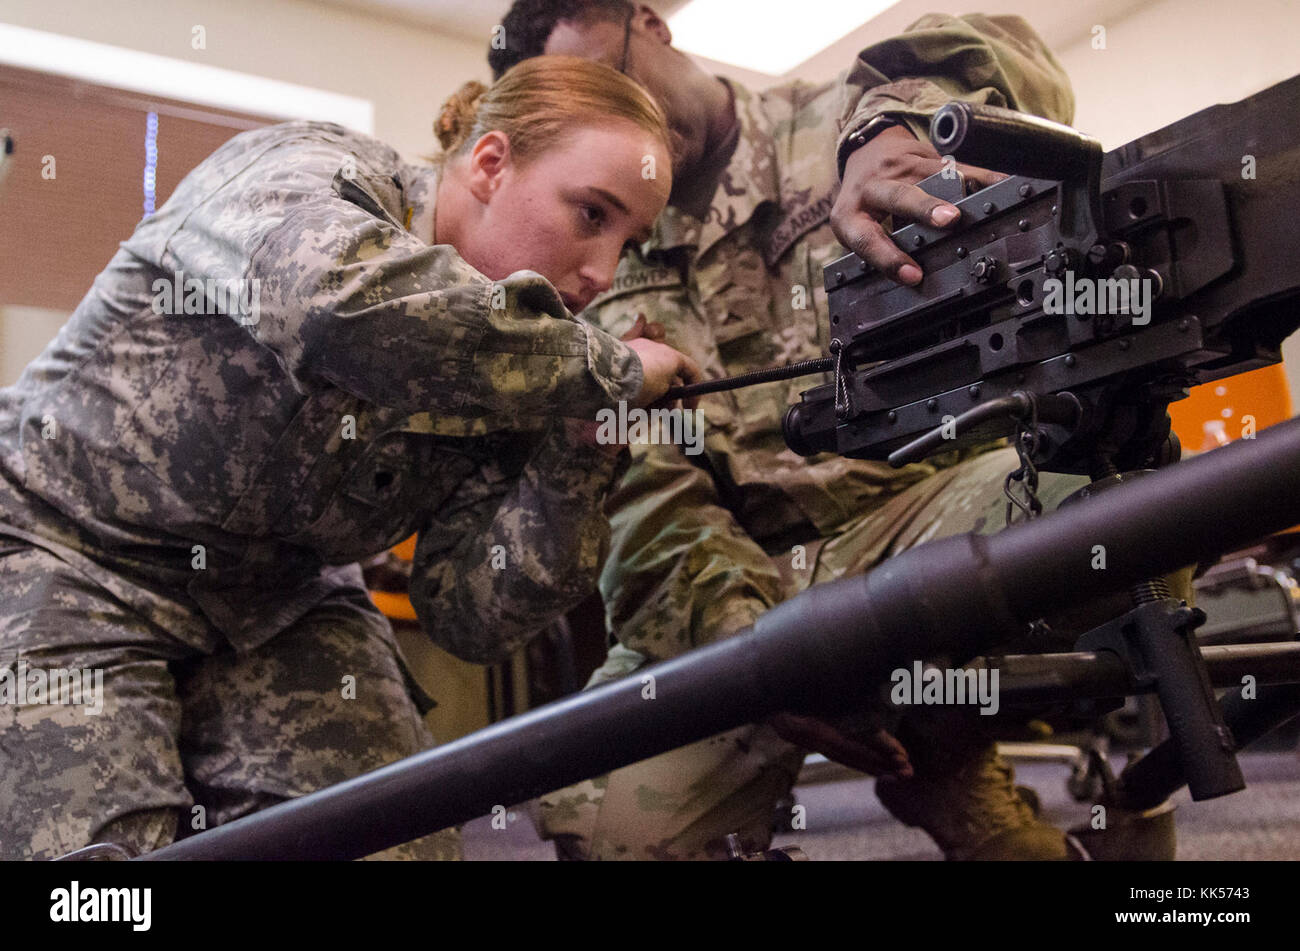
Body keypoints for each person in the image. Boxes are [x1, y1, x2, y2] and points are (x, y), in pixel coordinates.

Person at [489, 2, 1149, 861]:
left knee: (1121, 510)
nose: (618, 121)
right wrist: (761, 661)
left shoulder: (848, 111)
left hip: (938, 523)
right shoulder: (598, 268)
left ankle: (952, 746)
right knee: (610, 826)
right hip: (752, 586)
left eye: (609, 80)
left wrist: (899, 124)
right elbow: (651, 504)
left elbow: (1017, 59)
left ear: (647, 19)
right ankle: (939, 756)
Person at [0, 54, 702, 860]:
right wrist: (604, 369)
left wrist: (579, 450)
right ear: (490, 163)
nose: (602, 273)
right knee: (100, 894)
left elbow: (466, 611)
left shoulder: (533, 355)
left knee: (394, 844)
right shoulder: (309, 173)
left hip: (279, 599)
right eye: (590, 215)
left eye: (629, 240)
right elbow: (342, 311)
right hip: (63, 551)